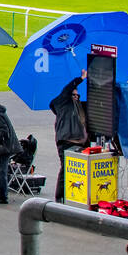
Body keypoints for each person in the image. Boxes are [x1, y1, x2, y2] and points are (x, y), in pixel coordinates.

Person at [50, 71, 88, 202]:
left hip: (79, 142)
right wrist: (80, 78)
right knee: (65, 168)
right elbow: (67, 90)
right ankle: (59, 197)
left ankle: (73, 195)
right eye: (73, 95)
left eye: (77, 95)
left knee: (77, 171)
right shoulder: (62, 102)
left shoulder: (78, 106)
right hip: (66, 141)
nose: (76, 97)